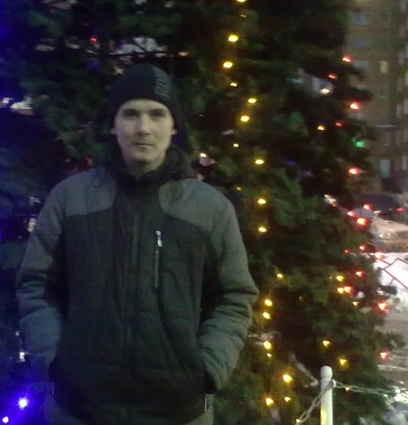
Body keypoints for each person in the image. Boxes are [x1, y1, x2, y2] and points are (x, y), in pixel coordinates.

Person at [16, 63, 259, 425]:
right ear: (114, 124)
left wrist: (208, 368)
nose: (143, 127)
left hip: (180, 413)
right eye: (130, 114)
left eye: (157, 114)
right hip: (80, 411)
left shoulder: (209, 208)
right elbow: (37, 285)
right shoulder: (71, 199)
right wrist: (54, 360)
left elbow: (233, 297)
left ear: (173, 125)